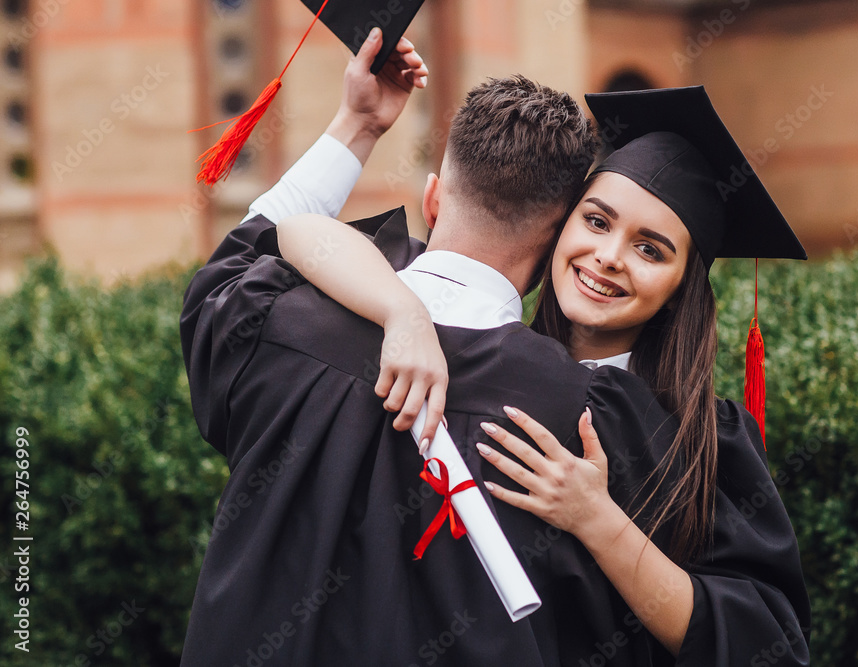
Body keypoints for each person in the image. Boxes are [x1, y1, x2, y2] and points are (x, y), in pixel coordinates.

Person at [180, 29, 701, 666]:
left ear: (432, 199)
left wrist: (359, 122)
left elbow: (251, 242)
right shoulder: (587, 421)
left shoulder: (268, 324)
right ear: (557, 241)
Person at [267, 63, 811, 666]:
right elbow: (292, 236)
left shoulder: (696, 437)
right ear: (559, 226)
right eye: (597, 221)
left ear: (684, 284)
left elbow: (767, 647)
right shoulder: (467, 351)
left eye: (650, 249)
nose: (608, 258)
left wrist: (597, 519)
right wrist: (403, 312)